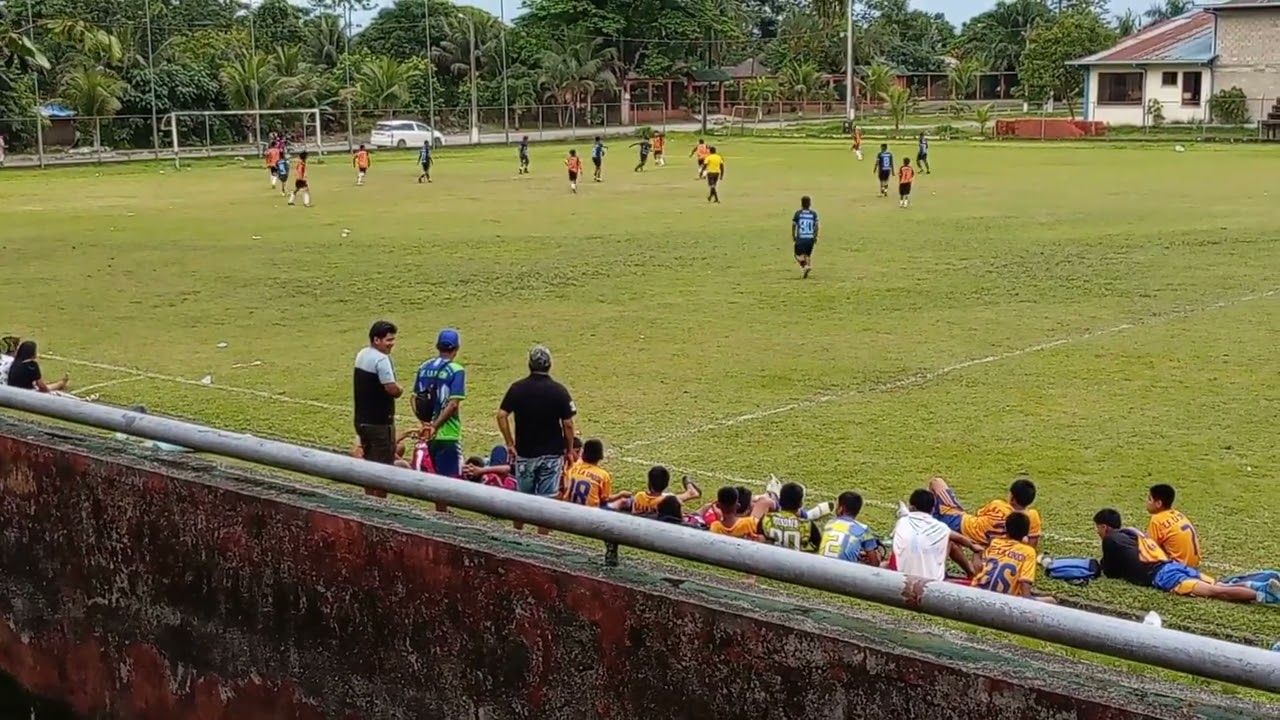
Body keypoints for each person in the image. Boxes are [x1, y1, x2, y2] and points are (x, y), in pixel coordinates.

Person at [1093, 509, 1279, 604]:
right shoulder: (1130, 532)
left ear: (1105, 527)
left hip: (1165, 576)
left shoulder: (1110, 540)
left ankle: (1264, 594)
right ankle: (1259, 585)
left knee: (1217, 592)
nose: (1097, 532)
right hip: (1172, 565)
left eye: (1097, 528)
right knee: (1219, 585)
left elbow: (1110, 572)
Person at [497, 345, 577, 534]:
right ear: (550, 365)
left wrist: (509, 443)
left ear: (529, 365)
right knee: (547, 502)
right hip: (551, 454)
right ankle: (541, 541)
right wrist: (569, 449)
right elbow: (568, 424)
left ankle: (517, 535)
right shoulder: (559, 391)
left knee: (522, 501)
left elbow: (501, 415)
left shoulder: (517, 388)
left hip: (525, 453)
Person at [929, 475, 1041, 576]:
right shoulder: (1033, 516)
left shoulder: (999, 506)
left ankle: (937, 571)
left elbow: (979, 514)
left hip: (957, 522)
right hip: (984, 542)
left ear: (1012, 498)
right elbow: (1031, 545)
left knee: (936, 482)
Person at [353, 321, 402, 497]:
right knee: (383, 471)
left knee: (367, 465)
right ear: (376, 340)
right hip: (379, 424)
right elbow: (391, 388)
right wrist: (400, 389)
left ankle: (368, 500)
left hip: (361, 421)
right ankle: (379, 507)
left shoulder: (362, 355)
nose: (392, 344)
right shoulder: (381, 360)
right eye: (388, 340)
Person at [411, 328, 466, 486]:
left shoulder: (424, 367)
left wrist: (425, 423)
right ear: (456, 348)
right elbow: (453, 403)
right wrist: (435, 426)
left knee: (435, 478)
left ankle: (440, 510)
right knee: (450, 479)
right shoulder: (456, 370)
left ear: (437, 346)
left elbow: (413, 398)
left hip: (429, 433)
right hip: (448, 433)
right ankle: (443, 511)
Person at [973, 512, 1054, 602]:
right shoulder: (1028, 552)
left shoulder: (995, 543)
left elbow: (980, 568)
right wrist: (1029, 601)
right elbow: (1025, 585)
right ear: (1026, 533)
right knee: (1051, 601)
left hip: (977, 595)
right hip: (1004, 602)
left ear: (1006, 529)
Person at [890, 489, 954, 580]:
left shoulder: (902, 522)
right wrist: (973, 546)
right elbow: (957, 537)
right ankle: (970, 573)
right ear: (932, 510)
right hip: (933, 579)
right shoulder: (940, 528)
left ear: (912, 507)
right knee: (948, 541)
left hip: (902, 576)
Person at [563, 439, 632, 509]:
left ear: (583, 454)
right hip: (590, 513)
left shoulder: (574, 468)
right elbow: (605, 499)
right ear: (600, 456)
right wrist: (620, 494)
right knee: (622, 502)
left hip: (569, 507)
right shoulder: (603, 475)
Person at [819, 491, 884, 565]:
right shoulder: (863, 529)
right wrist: (877, 558)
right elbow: (874, 563)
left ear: (841, 508)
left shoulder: (830, 523)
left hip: (820, 569)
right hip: (844, 574)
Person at [1145, 484, 1202, 568]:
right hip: (1194, 564)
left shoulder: (1156, 520)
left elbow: (1150, 549)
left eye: (1150, 499)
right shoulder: (1178, 514)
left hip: (1178, 567)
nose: (1146, 501)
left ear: (1158, 503)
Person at [758, 482, 820, 552]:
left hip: (770, 558)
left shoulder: (766, 519)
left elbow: (759, 539)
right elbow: (818, 546)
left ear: (780, 500)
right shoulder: (807, 525)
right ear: (800, 504)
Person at [630, 465, 701, 515]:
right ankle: (691, 493)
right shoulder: (668, 501)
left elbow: (634, 513)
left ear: (649, 481)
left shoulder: (639, 496)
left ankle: (691, 493)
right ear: (666, 484)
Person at [4, 340, 69, 393]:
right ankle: (61, 383)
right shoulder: (32, 366)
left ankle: (60, 383)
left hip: (11, 391)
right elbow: (42, 387)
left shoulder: (15, 362)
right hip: (25, 393)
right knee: (50, 388)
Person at [792, 195, 818, 279]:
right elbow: (816, 226)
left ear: (801, 204)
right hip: (810, 238)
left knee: (797, 255)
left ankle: (805, 266)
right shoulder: (813, 214)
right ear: (809, 204)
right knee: (807, 255)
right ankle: (806, 269)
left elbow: (794, 225)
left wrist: (793, 235)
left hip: (801, 238)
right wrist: (815, 237)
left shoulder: (798, 213)